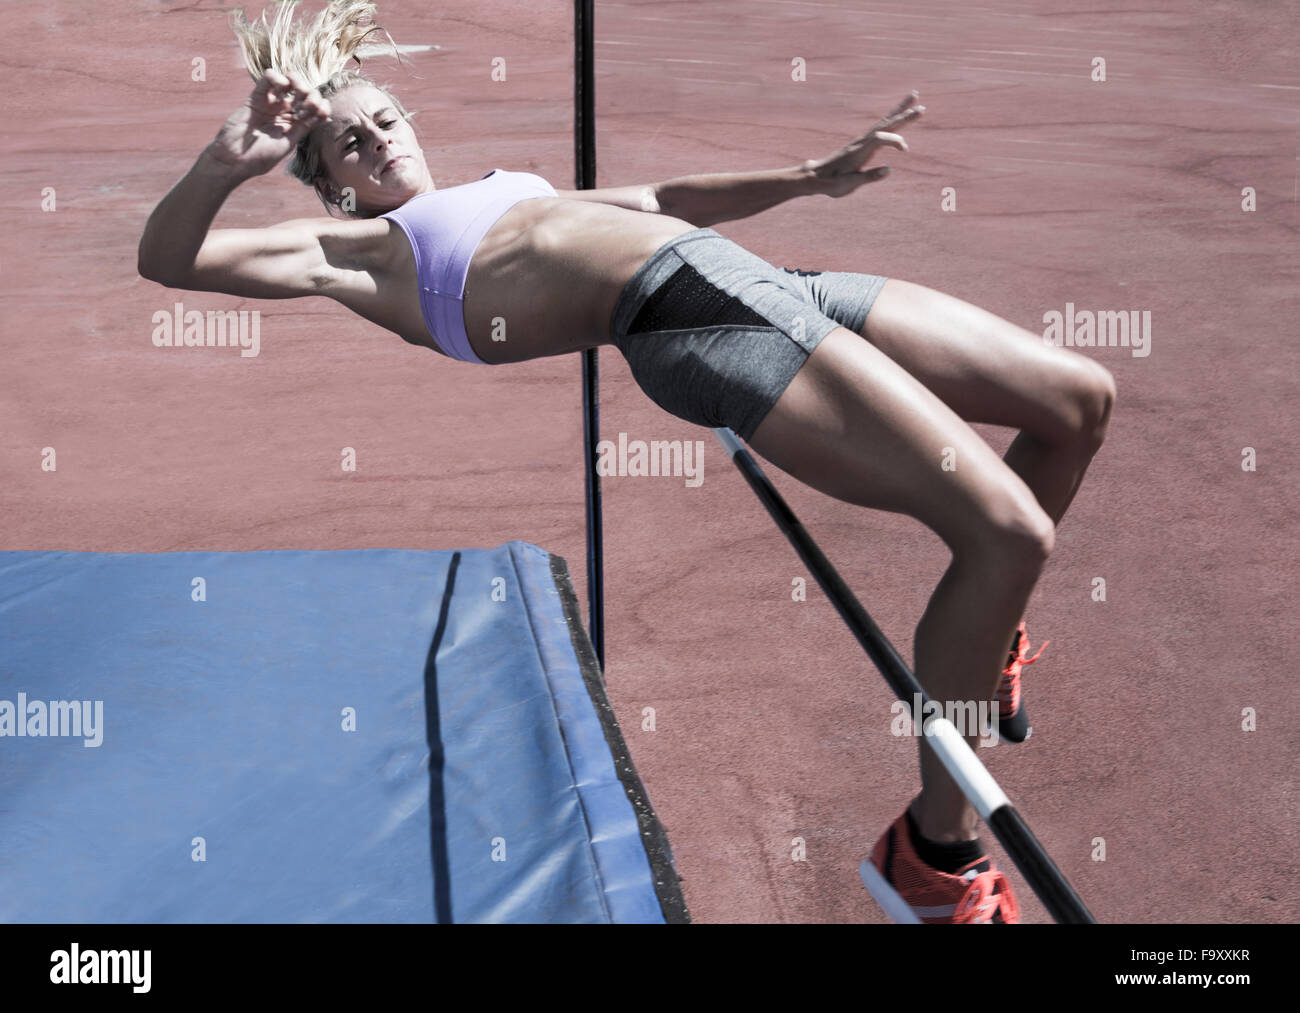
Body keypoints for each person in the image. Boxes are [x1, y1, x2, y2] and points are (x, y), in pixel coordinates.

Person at [137, 0, 1114, 924]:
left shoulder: (502, 189)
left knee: (1077, 401)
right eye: (352, 142)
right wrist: (225, 166)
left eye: (386, 118)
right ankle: (933, 853)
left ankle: (983, 641)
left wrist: (811, 175)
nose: (383, 140)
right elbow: (170, 262)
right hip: (695, 314)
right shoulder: (356, 252)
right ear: (327, 182)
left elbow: (658, 198)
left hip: (752, 279)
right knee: (1004, 532)